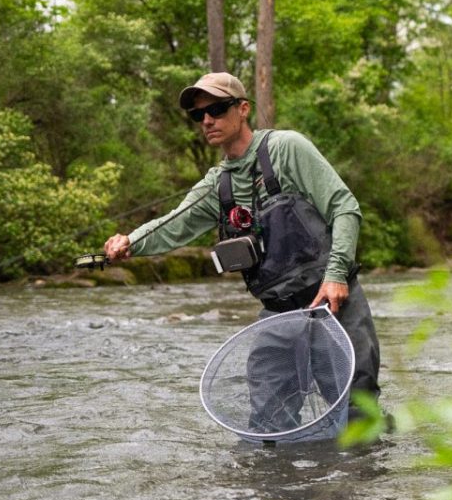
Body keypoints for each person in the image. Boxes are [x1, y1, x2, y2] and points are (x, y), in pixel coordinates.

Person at [103, 71, 382, 432]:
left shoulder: (287, 148)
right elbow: (174, 223)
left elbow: (344, 206)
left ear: (243, 109)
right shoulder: (216, 184)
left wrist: (336, 274)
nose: (207, 120)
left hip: (334, 305)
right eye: (198, 115)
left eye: (217, 109)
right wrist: (130, 241)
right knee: (266, 423)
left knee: (359, 416)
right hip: (278, 316)